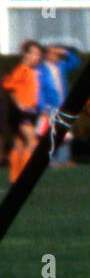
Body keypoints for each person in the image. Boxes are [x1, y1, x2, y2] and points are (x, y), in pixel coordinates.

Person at [2, 40, 42, 182]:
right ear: (26, 54)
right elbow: (8, 85)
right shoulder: (22, 69)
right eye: (35, 54)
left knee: (19, 144)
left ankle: (15, 178)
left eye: (39, 54)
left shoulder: (31, 71)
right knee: (32, 143)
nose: (38, 57)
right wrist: (19, 104)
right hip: (22, 113)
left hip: (27, 112)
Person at [39, 44, 81, 166]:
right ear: (46, 55)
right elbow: (40, 89)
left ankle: (64, 159)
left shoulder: (61, 66)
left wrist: (65, 51)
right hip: (50, 106)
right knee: (51, 134)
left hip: (63, 104)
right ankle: (52, 161)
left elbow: (76, 63)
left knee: (65, 133)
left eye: (57, 53)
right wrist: (42, 107)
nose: (56, 55)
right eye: (53, 53)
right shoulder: (41, 69)